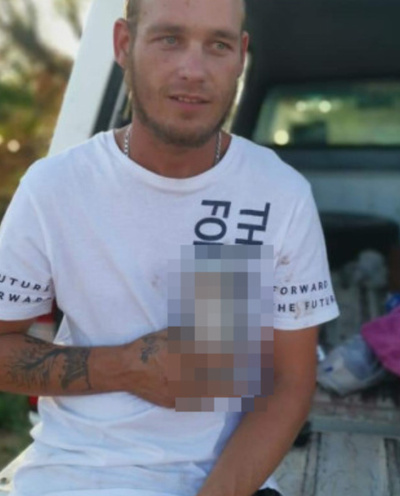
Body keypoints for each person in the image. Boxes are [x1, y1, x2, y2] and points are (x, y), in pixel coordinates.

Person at [0, 0, 340, 495]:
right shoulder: (55, 187)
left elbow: (291, 382)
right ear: (124, 44)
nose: (193, 70)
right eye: (169, 39)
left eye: (218, 44)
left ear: (240, 56)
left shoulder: (277, 193)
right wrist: (126, 367)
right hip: (74, 474)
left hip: (226, 479)